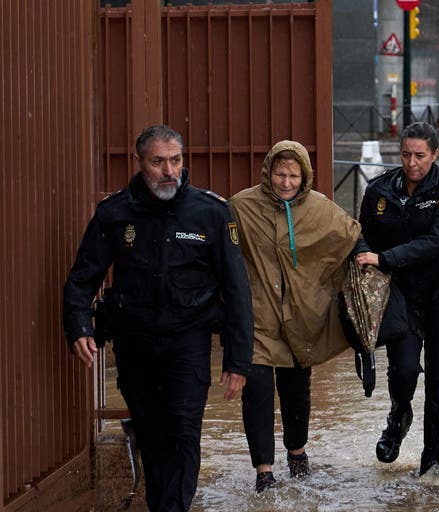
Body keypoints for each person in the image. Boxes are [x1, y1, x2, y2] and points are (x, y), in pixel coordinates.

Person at [62, 124, 253, 511]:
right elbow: (82, 278)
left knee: (183, 430)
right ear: (140, 163)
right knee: (152, 435)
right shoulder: (115, 214)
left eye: (176, 161)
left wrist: (238, 359)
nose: (169, 171)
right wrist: (79, 326)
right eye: (158, 162)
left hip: (189, 342)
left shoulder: (211, 213)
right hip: (135, 344)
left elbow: (237, 291)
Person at [227, 140, 363, 492]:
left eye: (293, 175)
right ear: (267, 172)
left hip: (303, 317)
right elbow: (221, 253)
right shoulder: (242, 206)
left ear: (304, 177)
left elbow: (351, 238)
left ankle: (297, 452)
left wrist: (373, 270)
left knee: (296, 390)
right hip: (258, 317)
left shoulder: (320, 209)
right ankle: (263, 470)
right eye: (279, 173)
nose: (285, 182)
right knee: (256, 389)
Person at [354, 121, 439, 476]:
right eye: (406, 154)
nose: (412, 162)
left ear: (435, 154)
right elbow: (360, 236)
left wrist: (385, 258)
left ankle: (434, 466)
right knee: (403, 371)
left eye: (420, 155)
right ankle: (398, 416)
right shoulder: (379, 191)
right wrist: (363, 256)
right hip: (400, 294)